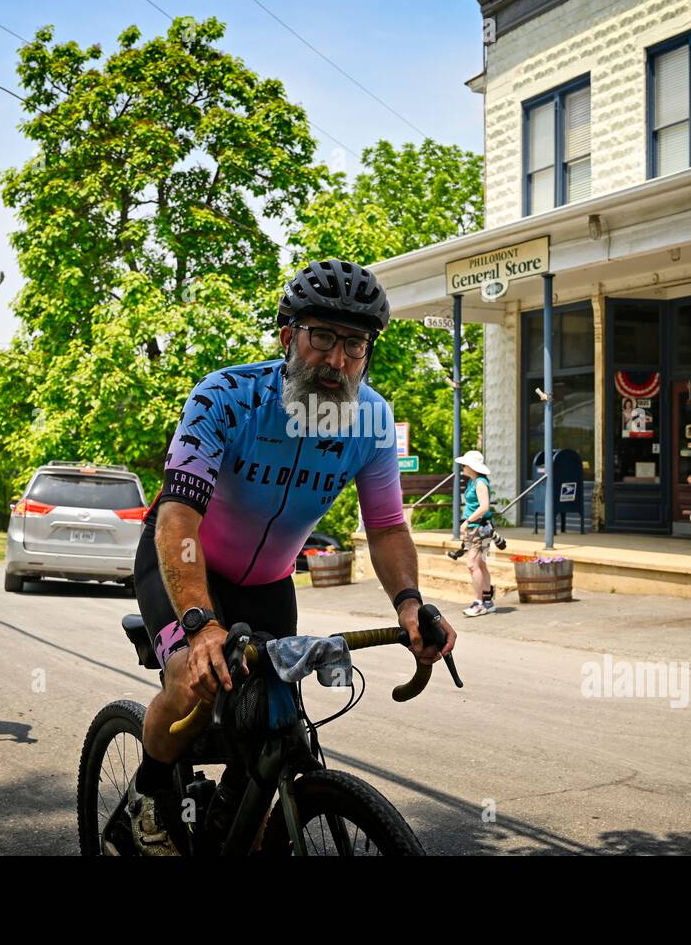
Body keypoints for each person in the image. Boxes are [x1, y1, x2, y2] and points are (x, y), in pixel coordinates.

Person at [130, 258, 458, 854]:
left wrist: (410, 604)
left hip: (269, 584)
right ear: (287, 337)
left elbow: (385, 527)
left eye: (354, 344)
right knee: (191, 680)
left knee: (271, 726)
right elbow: (180, 516)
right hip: (183, 560)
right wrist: (200, 625)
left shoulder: (374, 422)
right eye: (322, 338)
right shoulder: (226, 398)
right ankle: (148, 798)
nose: (336, 360)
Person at [453, 451, 497, 617]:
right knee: (481, 564)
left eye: (465, 465)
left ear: (472, 467)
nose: (463, 467)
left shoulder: (480, 483)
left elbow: (484, 506)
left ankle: (478, 602)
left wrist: (467, 521)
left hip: (479, 527)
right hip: (477, 527)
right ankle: (487, 601)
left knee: (472, 564)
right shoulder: (473, 482)